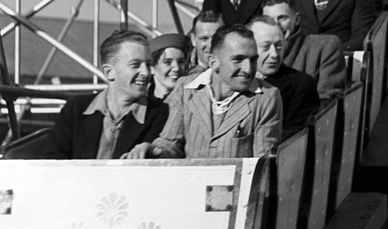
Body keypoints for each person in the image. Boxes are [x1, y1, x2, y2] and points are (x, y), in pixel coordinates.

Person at [128, 25, 282, 160]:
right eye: (238, 59)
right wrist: (152, 151)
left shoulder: (266, 97)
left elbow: (263, 163)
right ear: (214, 62)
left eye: (253, 60)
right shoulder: (185, 88)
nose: (248, 69)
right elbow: (171, 142)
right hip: (191, 187)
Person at [43, 30, 168, 159]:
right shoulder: (76, 108)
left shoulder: (160, 113)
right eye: (135, 65)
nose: (146, 72)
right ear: (109, 72)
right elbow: (53, 160)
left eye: (148, 64)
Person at [262, 0, 347, 101]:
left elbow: (326, 101)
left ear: (297, 19)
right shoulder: (256, 50)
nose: (275, 25)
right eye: (269, 20)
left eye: (282, 18)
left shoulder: (325, 46)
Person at [248, 16, 319, 138]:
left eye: (279, 46)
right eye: (265, 47)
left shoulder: (301, 85)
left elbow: (294, 138)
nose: (274, 54)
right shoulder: (233, 80)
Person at [149, 32, 190, 99]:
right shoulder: (141, 104)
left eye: (181, 62)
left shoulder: (193, 100)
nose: (176, 68)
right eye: (167, 62)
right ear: (152, 68)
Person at [188, 9, 224, 73]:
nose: (210, 45)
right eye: (204, 39)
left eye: (216, 38)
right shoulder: (182, 72)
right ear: (193, 39)